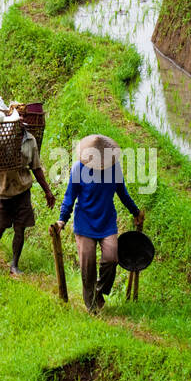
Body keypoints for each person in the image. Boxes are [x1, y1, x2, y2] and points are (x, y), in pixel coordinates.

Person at [58, 134, 144, 314]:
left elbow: (123, 194)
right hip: (85, 223)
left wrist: (135, 212)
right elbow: (69, 197)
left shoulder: (114, 169)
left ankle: (99, 291)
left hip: (106, 222)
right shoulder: (78, 169)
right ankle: (91, 307)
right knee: (87, 264)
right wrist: (62, 220)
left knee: (112, 257)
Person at [0, 99, 55, 278]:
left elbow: (36, 168)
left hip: (22, 190)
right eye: (19, 116)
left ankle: (14, 265)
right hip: (2, 191)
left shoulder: (30, 140)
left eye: (24, 117)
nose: (22, 120)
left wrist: (47, 191)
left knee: (20, 228)